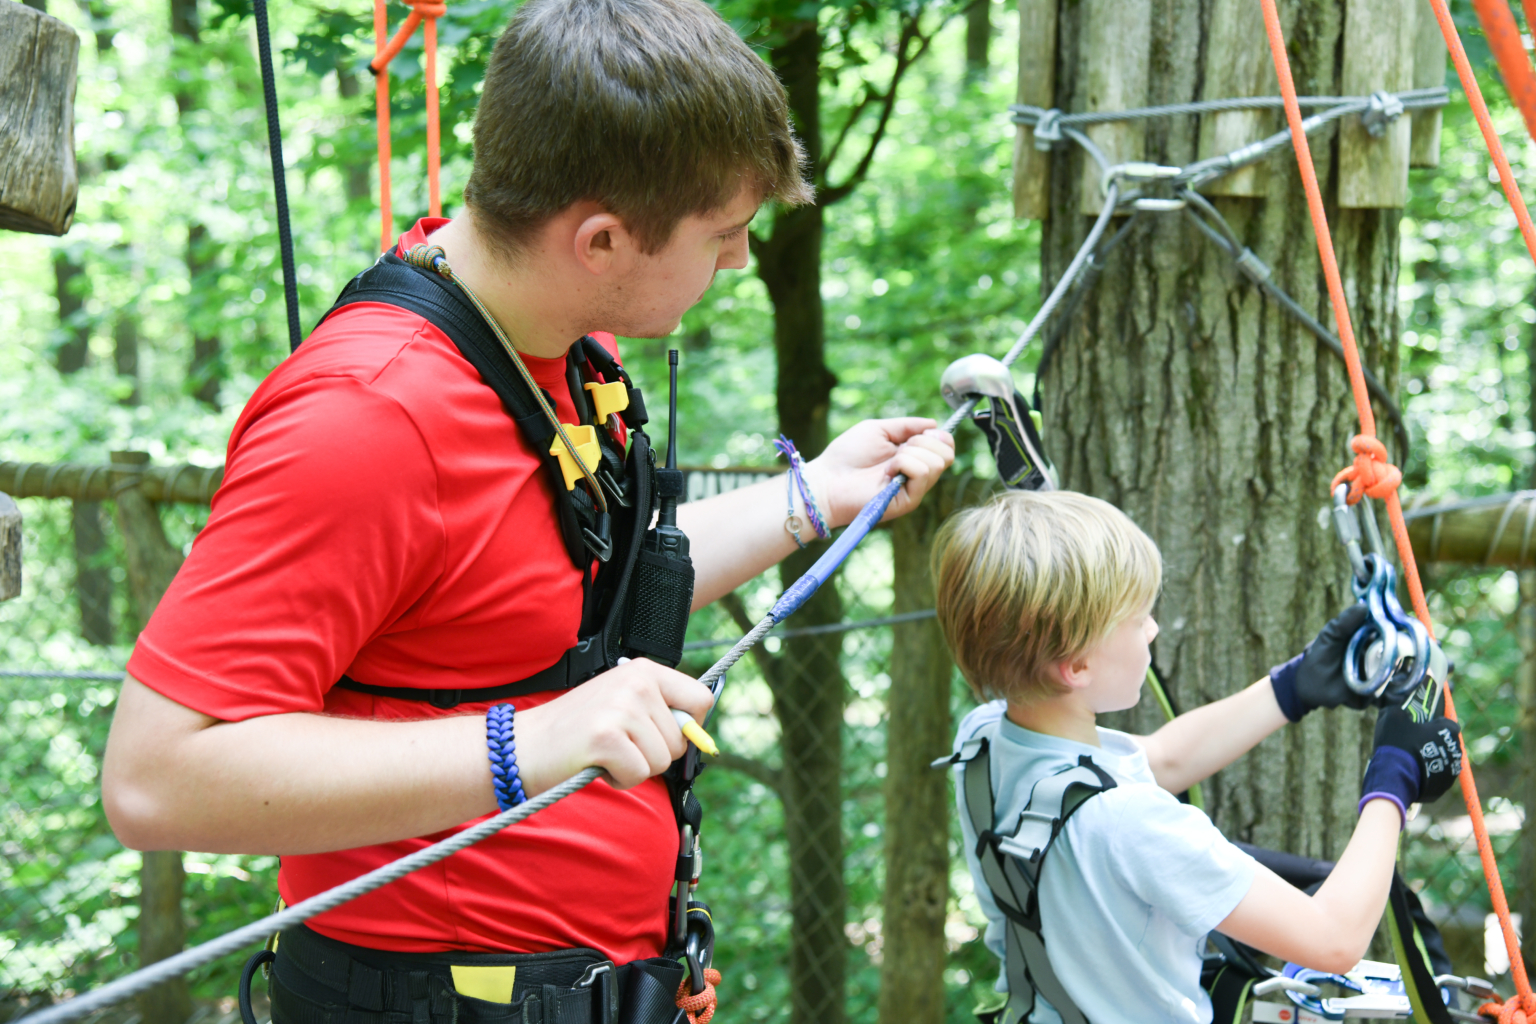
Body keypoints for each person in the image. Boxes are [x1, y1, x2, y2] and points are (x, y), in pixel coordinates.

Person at [99, 1, 954, 1021]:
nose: (734, 261)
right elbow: (154, 779)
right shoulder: (369, 418)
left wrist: (809, 499)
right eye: (722, 234)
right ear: (599, 237)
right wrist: (524, 746)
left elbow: (575, 602)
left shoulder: (544, 348)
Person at [932, 490, 1462, 1024]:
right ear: (1075, 664)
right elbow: (1333, 939)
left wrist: (1293, 686)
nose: (1153, 628)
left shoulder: (984, 741)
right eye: (1138, 619)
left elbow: (1163, 760)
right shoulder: (1131, 823)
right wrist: (1394, 779)